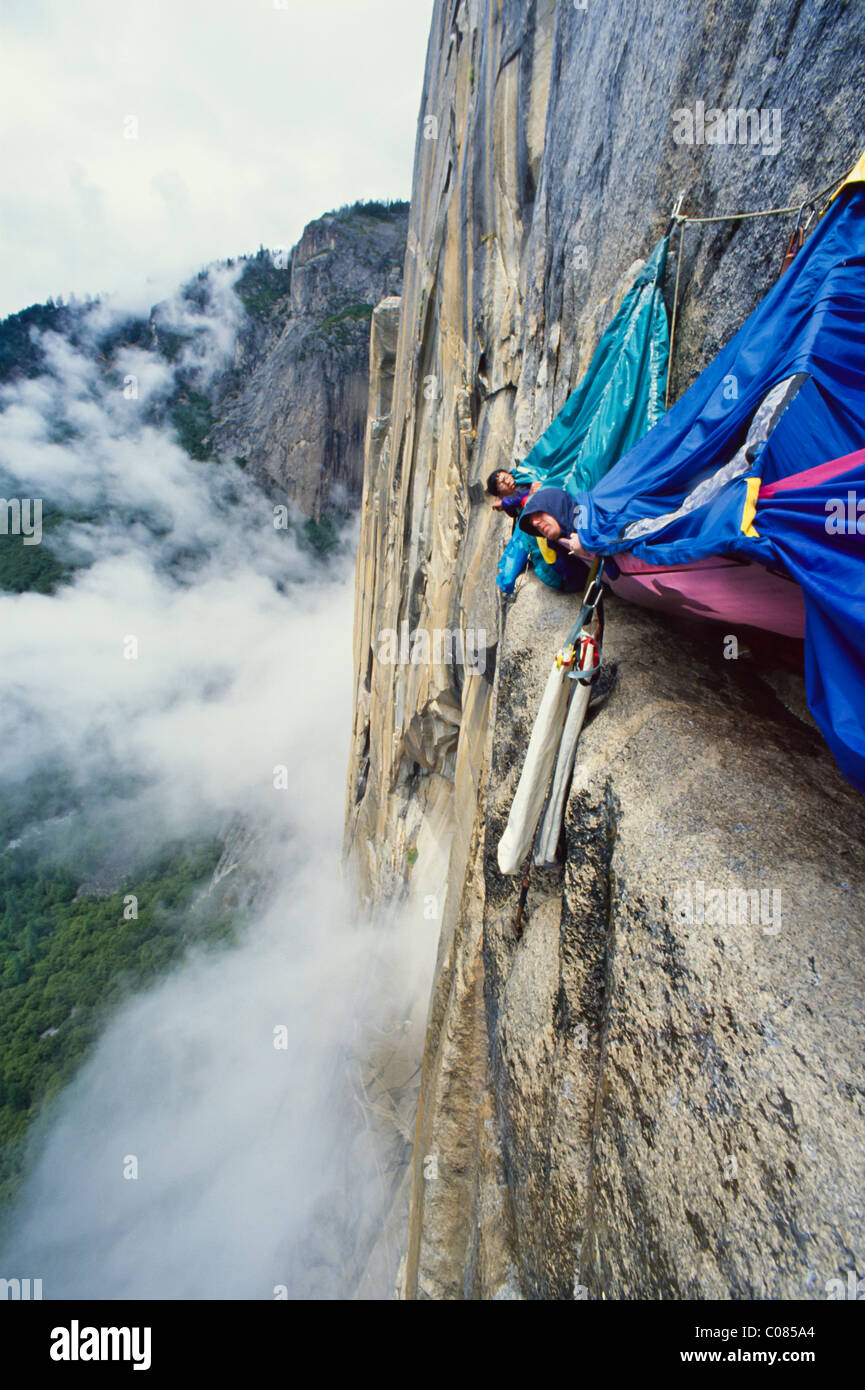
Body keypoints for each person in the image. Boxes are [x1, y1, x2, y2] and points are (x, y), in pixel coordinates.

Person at [517, 486, 595, 591]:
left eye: (539, 513)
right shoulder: (557, 545)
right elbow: (575, 579)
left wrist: (585, 541)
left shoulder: (586, 512)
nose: (535, 523)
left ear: (556, 506)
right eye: (532, 523)